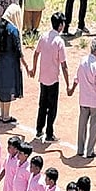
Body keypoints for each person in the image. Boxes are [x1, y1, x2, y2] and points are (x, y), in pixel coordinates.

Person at [30, 12, 70, 141]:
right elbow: (64, 65)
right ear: (60, 25)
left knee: (42, 105)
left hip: (43, 78)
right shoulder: (59, 41)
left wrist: (34, 69)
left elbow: (36, 54)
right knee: (52, 108)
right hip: (53, 79)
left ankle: (38, 130)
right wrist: (68, 84)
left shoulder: (44, 36)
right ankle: (49, 133)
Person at [0, 4, 24, 123]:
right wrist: (25, 65)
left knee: (2, 87)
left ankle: (2, 114)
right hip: (11, 63)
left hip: (1, 61)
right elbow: (18, 49)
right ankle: (6, 116)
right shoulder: (13, 30)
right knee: (9, 87)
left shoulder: (0, 26)